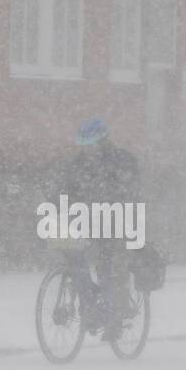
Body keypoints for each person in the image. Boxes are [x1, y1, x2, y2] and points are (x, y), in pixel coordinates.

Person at [56, 118, 140, 340]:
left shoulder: (122, 161)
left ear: (103, 142)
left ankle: (115, 317)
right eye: (83, 145)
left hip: (116, 219)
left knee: (109, 265)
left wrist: (112, 207)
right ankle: (89, 299)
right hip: (87, 219)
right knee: (69, 250)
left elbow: (128, 190)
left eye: (91, 145)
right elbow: (64, 188)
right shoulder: (77, 164)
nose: (87, 150)